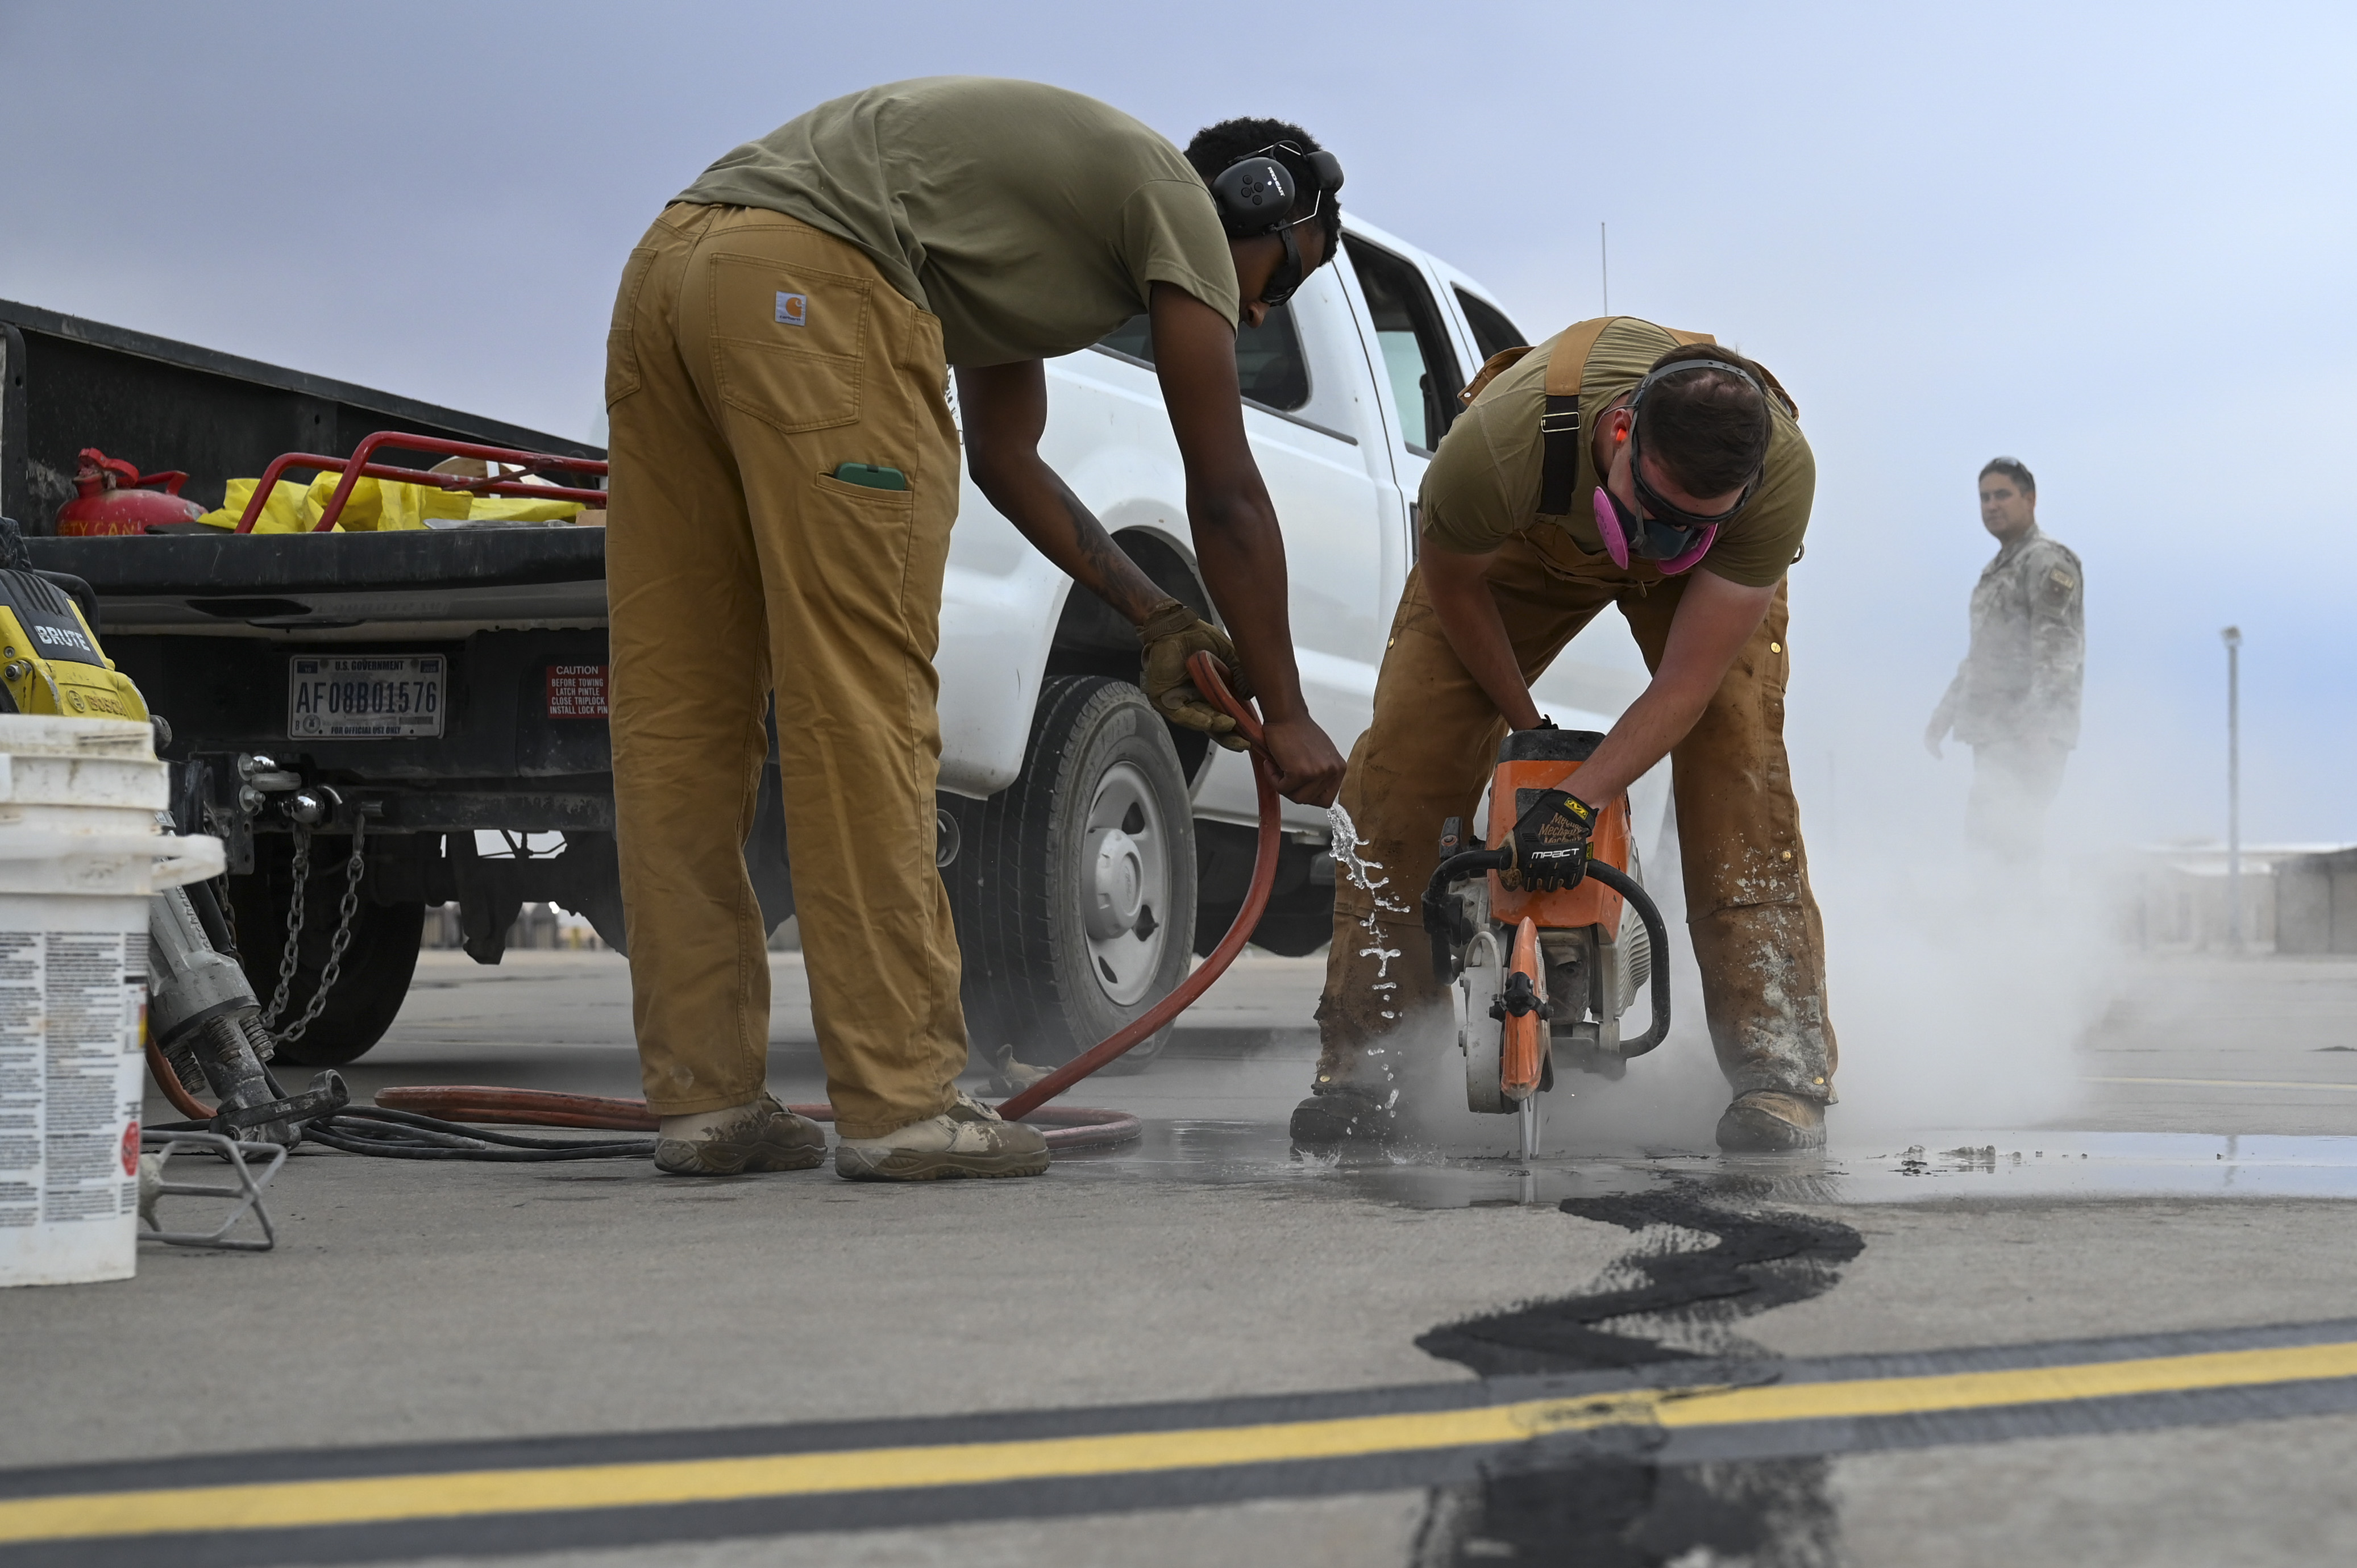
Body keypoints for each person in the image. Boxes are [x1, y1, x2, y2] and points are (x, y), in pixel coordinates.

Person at [603, 78, 1348, 1181]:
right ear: (1261, 204)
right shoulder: (1184, 205)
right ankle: (902, 1098)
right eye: (1282, 281)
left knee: (682, 711)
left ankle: (706, 1098)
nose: (1256, 316)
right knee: (861, 704)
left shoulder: (1034, 224)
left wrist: (1153, 613)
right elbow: (1226, 492)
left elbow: (1009, 455)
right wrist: (1289, 713)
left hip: (668, 276)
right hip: (816, 288)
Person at [1292, 315, 1838, 1154]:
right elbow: (1455, 594)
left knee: (1736, 769)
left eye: (1694, 524)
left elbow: (1685, 686)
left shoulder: (1777, 478)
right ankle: (1370, 1064)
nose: (1659, 546)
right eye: (1653, 512)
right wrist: (1527, 735)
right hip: (1522, 541)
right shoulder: (1496, 449)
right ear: (1620, 431)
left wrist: (1575, 799)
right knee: (1405, 764)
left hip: (1698, 577)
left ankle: (1779, 1067)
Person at [1924, 457, 2084, 866]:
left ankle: (2021, 929)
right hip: (1995, 733)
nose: (1991, 505)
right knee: (1988, 846)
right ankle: (2000, 928)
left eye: (2002, 495)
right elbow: (1981, 655)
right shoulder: (1998, 570)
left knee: (2007, 847)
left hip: (2026, 736)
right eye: (1984, 498)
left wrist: (2038, 726)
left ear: (2029, 500)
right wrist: (1944, 715)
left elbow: (2057, 652)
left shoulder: (2046, 562)